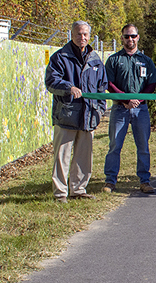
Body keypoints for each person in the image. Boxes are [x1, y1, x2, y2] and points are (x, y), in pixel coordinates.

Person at [45, 21, 107, 203]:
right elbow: (51, 81)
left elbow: (101, 87)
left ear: (90, 36)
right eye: (79, 34)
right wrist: (68, 87)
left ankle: (79, 189)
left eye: (86, 34)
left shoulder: (95, 59)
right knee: (62, 156)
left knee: (83, 156)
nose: (83, 38)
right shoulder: (60, 57)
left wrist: (101, 109)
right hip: (66, 115)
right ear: (72, 34)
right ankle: (60, 193)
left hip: (88, 116)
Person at [103, 24, 156, 194]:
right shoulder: (114, 60)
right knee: (114, 146)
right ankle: (110, 181)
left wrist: (137, 100)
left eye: (133, 36)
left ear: (138, 37)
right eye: (127, 36)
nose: (130, 39)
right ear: (122, 38)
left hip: (140, 109)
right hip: (120, 109)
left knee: (143, 146)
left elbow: (152, 84)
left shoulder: (146, 61)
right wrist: (126, 99)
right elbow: (109, 83)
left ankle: (144, 180)